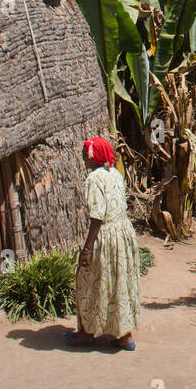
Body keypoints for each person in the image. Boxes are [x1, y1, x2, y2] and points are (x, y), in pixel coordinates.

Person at [66, 136, 140, 351]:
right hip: (123, 234)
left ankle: (87, 332)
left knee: (88, 281)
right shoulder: (115, 173)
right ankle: (124, 335)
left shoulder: (94, 179)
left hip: (106, 236)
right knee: (119, 283)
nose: (83, 157)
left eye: (85, 153)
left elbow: (97, 216)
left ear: (91, 156)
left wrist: (87, 248)